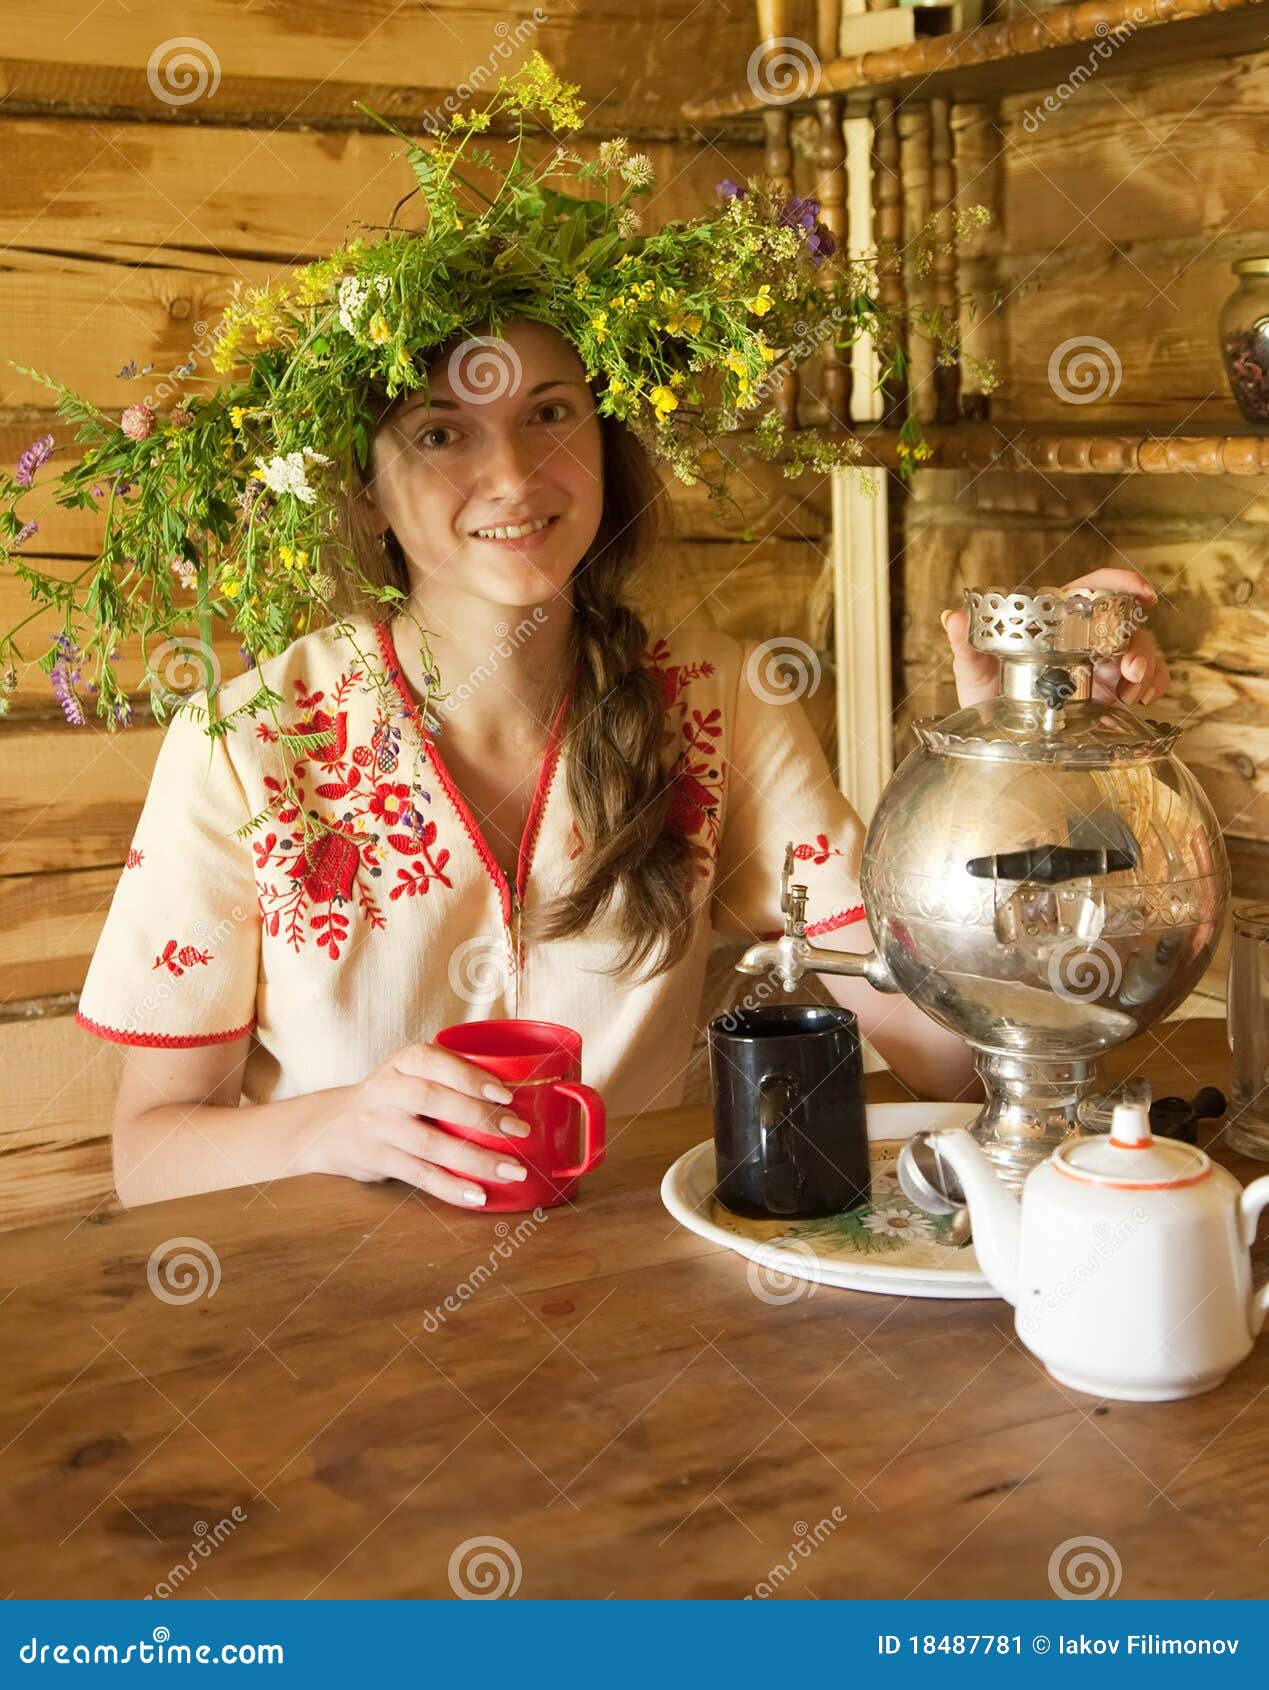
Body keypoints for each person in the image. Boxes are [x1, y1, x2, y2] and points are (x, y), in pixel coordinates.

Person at [71, 313, 1170, 1208]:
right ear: (364, 485)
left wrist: (1013, 755)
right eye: (443, 432)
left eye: (548, 414)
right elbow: (150, 1152)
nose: (512, 475)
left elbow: (947, 1057)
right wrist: (339, 1126)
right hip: (333, 1335)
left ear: (604, 442)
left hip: (638, 1313)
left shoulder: (721, 702)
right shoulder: (247, 742)